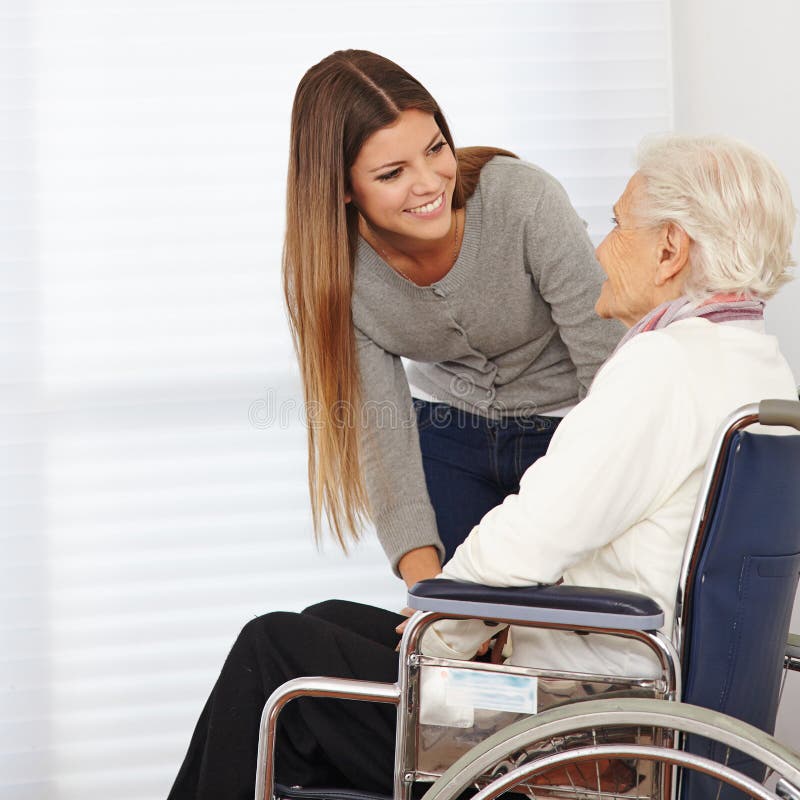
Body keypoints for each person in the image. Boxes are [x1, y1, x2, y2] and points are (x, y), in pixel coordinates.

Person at [167, 134, 797, 800]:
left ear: (669, 249)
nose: (600, 250)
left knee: (275, 654)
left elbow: (533, 534)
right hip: (635, 700)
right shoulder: (759, 369)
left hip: (572, 728)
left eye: (617, 226)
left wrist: (440, 635)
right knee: (326, 621)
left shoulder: (663, 367)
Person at [283, 49, 623, 590]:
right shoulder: (335, 274)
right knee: (463, 630)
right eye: (392, 173)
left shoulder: (522, 200)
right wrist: (429, 595)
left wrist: (594, 487)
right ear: (342, 188)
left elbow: (609, 368)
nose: (429, 183)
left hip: (569, 430)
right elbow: (382, 433)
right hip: (446, 437)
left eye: (435, 148)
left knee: (558, 627)